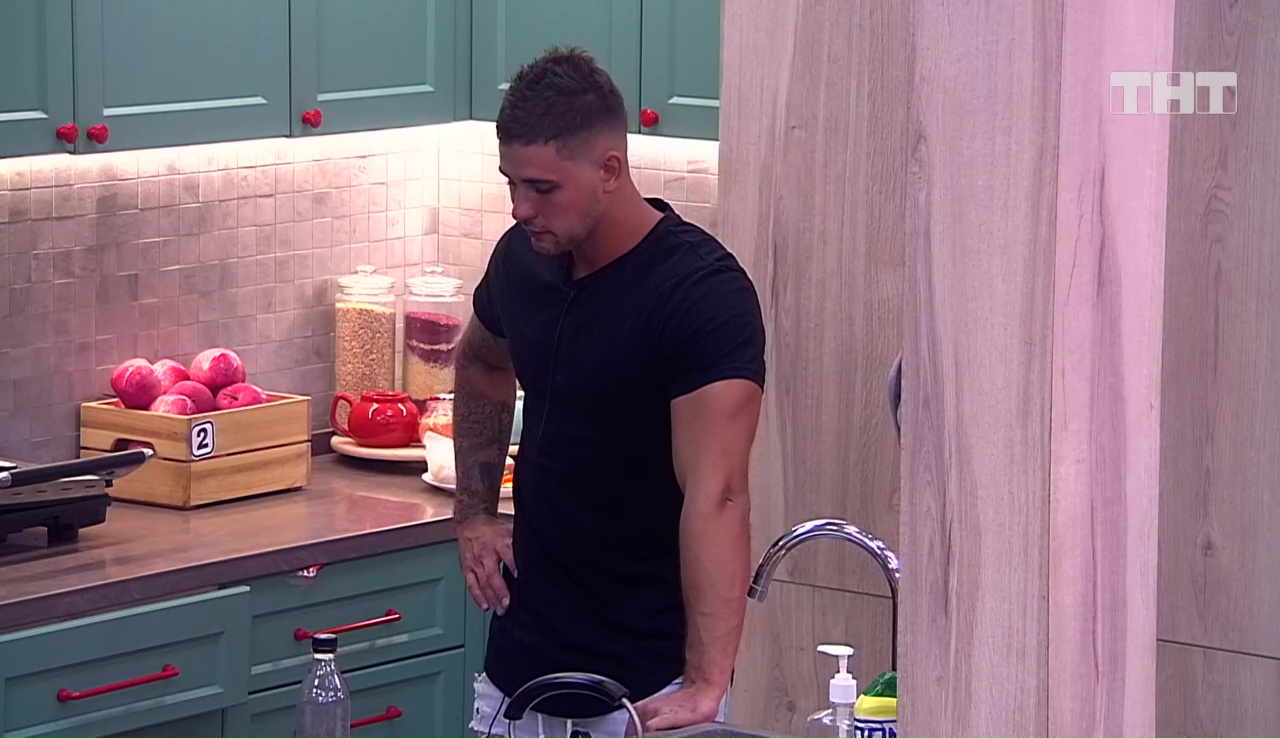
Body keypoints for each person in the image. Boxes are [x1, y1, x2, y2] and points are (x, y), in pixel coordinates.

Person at [451, 46, 766, 738]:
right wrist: (474, 512)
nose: (520, 208)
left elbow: (719, 493)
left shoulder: (701, 295)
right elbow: (480, 365)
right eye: (511, 184)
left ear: (610, 170)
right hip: (518, 674)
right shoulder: (520, 261)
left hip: (650, 687)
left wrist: (707, 682)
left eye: (542, 188)